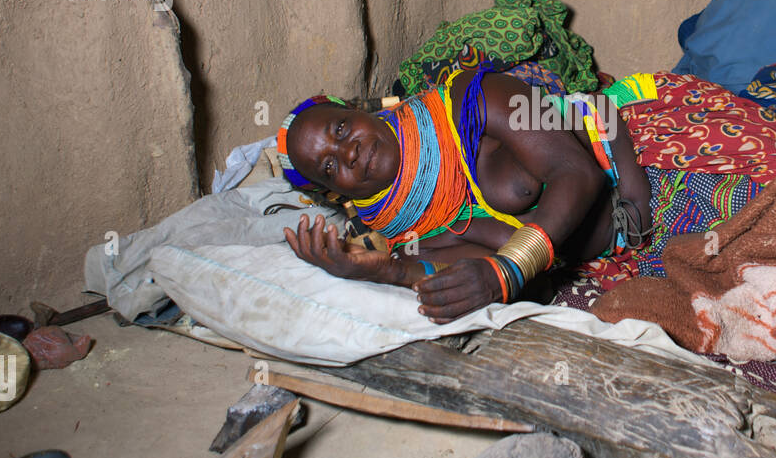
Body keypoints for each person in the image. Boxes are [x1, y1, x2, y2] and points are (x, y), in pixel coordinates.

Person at [279, 64, 654, 323]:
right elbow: (529, 286)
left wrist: (507, 267)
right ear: (333, 194)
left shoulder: (468, 101)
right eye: (329, 167)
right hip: (634, 243)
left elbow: (576, 173)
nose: (348, 153)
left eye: (341, 129)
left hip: (660, 152)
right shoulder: (408, 238)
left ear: (357, 110)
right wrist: (388, 271)